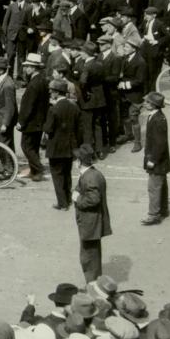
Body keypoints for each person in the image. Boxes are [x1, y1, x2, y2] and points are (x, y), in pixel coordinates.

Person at [43, 79, 83, 211]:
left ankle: (62, 203)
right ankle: (68, 197)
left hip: (56, 147)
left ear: (56, 93)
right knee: (67, 173)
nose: (50, 93)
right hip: (70, 146)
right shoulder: (74, 107)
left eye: (51, 91)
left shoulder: (53, 109)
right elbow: (79, 128)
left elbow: (48, 129)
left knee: (57, 175)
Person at [72, 149, 111, 284]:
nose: (74, 162)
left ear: (80, 161)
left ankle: (92, 286)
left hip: (90, 223)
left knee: (88, 257)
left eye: (75, 159)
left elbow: (93, 199)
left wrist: (78, 199)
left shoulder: (89, 177)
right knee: (92, 254)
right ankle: (94, 283)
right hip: (93, 222)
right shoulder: (93, 174)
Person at [141, 92, 170, 226]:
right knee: (161, 184)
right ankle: (163, 209)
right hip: (161, 160)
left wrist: (153, 160)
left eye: (147, 102)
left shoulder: (157, 120)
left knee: (153, 186)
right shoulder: (156, 117)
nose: (145, 104)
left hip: (157, 159)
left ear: (154, 104)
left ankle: (153, 214)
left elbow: (160, 143)